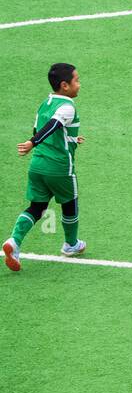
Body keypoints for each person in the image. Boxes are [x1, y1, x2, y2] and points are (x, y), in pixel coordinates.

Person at [4, 64, 87, 272]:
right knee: (70, 203)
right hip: (59, 167)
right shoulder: (67, 106)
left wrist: (73, 138)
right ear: (64, 85)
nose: (79, 84)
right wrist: (32, 142)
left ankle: (14, 242)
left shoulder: (44, 104)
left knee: (37, 207)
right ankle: (71, 244)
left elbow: (46, 130)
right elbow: (52, 126)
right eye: (76, 80)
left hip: (37, 166)